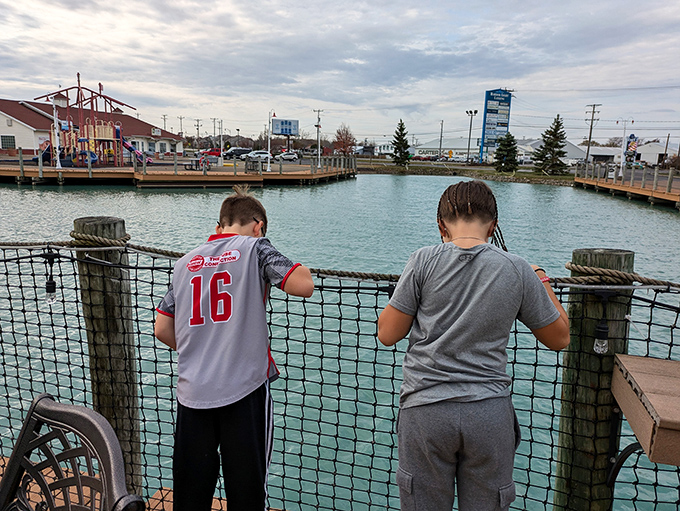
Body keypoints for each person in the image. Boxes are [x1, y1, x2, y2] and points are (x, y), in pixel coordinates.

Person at [377, 180, 569, 511]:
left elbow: (387, 334)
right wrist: (541, 279)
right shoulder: (518, 269)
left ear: (441, 225)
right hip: (489, 413)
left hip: (425, 411)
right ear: (493, 226)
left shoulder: (422, 261)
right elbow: (559, 338)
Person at [154, 185, 314, 511]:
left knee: (190, 493)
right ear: (258, 227)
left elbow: (162, 327)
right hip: (244, 391)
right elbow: (303, 284)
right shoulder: (255, 248)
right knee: (247, 494)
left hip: (192, 394)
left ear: (218, 228)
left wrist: (199, 349)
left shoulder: (184, 263)